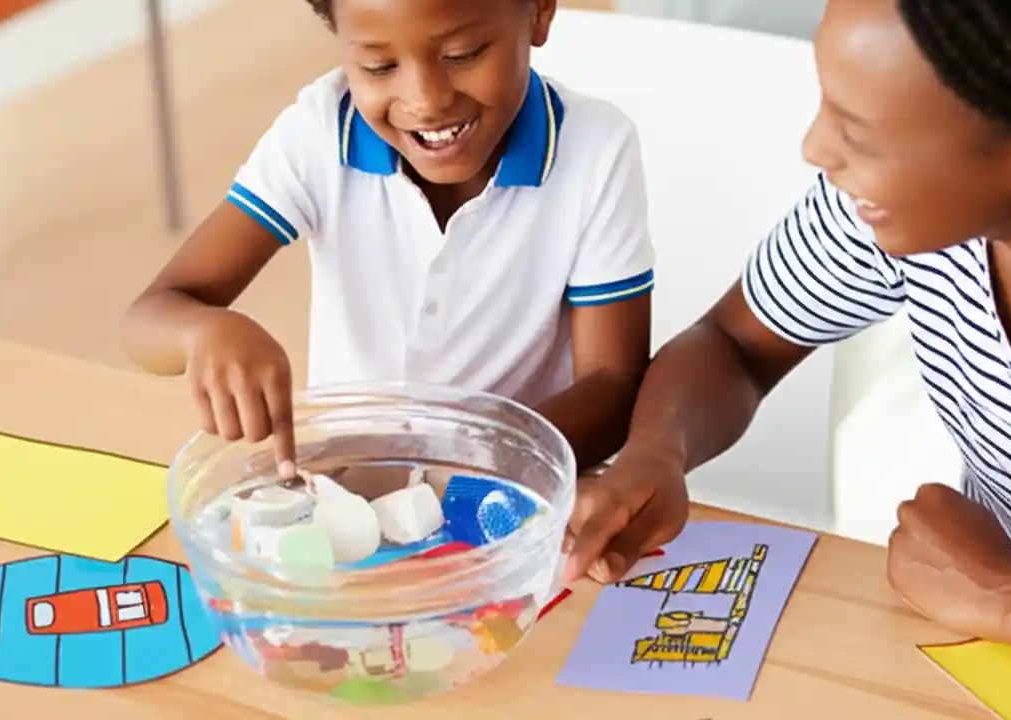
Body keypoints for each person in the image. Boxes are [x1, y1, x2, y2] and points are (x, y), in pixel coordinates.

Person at [565, 0, 1011, 715]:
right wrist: (657, 453)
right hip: (971, 658)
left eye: (857, 132)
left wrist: (1010, 597)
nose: (816, 149)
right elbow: (734, 343)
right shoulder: (904, 216)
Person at [122, 0, 655, 479]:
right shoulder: (319, 132)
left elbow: (613, 385)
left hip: (511, 497)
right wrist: (201, 331)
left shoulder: (595, 150)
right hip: (346, 491)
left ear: (539, 11)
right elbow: (151, 316)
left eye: (462, 53)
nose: (425, 100)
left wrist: (475, 466)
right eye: (379, 66)